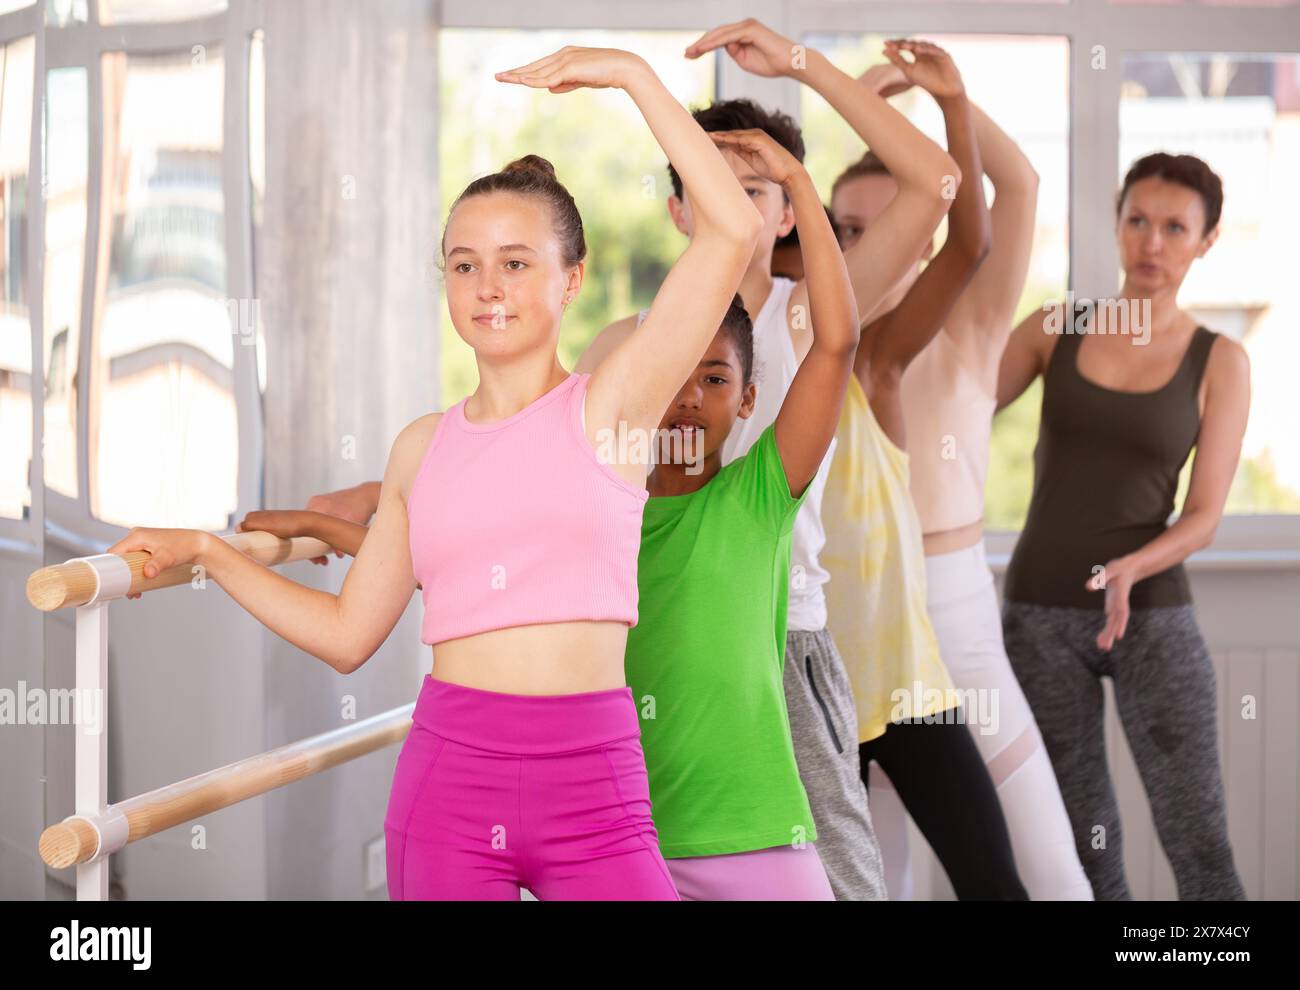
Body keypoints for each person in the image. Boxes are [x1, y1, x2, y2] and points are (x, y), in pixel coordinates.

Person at [105, 45, 764, 901]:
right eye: (464, 264)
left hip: (594, 786)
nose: (488, 287)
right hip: (450, 783)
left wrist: (632, 76)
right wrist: (208, 550)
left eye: (516, 262)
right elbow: (348, 637)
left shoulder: (615, 407)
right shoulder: (421, 447)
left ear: (573, 279)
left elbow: (734, 230)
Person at [578, 17, 959, 902]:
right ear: (677, 208)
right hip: (656, 639)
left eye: (753, 189)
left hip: (780, 643)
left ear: (790, 212)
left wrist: (800, 68)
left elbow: (935, 184)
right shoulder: (627, 343)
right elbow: (543, 462)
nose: (730, 205)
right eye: (706, 185)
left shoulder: (803, 311)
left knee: (841, 877)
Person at [827, 44, 1091, 898]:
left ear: (925, 229)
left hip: (952, 609)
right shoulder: (813, 341)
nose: (863, 247)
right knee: (878, 880)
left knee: (1049, 873)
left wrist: (949, 101)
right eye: (846, 232)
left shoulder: (970, 325)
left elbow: (1018, 193)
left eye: (885, 224)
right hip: (848, 620)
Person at [997, 152, 1249, 901]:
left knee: (1199, 844)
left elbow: (1204, 515)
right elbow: (951, 402)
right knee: (1082, 850)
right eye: (1138, 220)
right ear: (1116, 225)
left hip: (1152, 618)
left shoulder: (1221, 360)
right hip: (1039, 616)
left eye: (1176, 227)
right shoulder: (1056, 326)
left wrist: (1133, 567)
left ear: (1207, 240)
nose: (1152, 243)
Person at [622, 128, 859, 899]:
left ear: (749, 400)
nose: (691, 395)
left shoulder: (760, 495)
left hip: (761, 839)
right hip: (629, 846)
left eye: (716, 377)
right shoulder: (601, 511)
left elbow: (838, 341)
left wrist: (793, 175)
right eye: (676, 372)